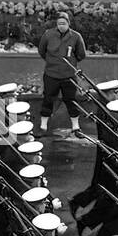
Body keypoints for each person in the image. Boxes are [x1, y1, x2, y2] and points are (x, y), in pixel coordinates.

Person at [37, 11, 87, 141]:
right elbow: (42, 51)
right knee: (48, 99)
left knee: (71, 100)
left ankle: (76, 127)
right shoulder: (48, 35)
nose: (61, 26)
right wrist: (52, 62)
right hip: (51, 74)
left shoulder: (76, 36)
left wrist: (71, 63)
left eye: (64, 23)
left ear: (69, 23)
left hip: (68, 75)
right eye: (59, 23)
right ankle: (43, 126)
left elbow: (81, 54)